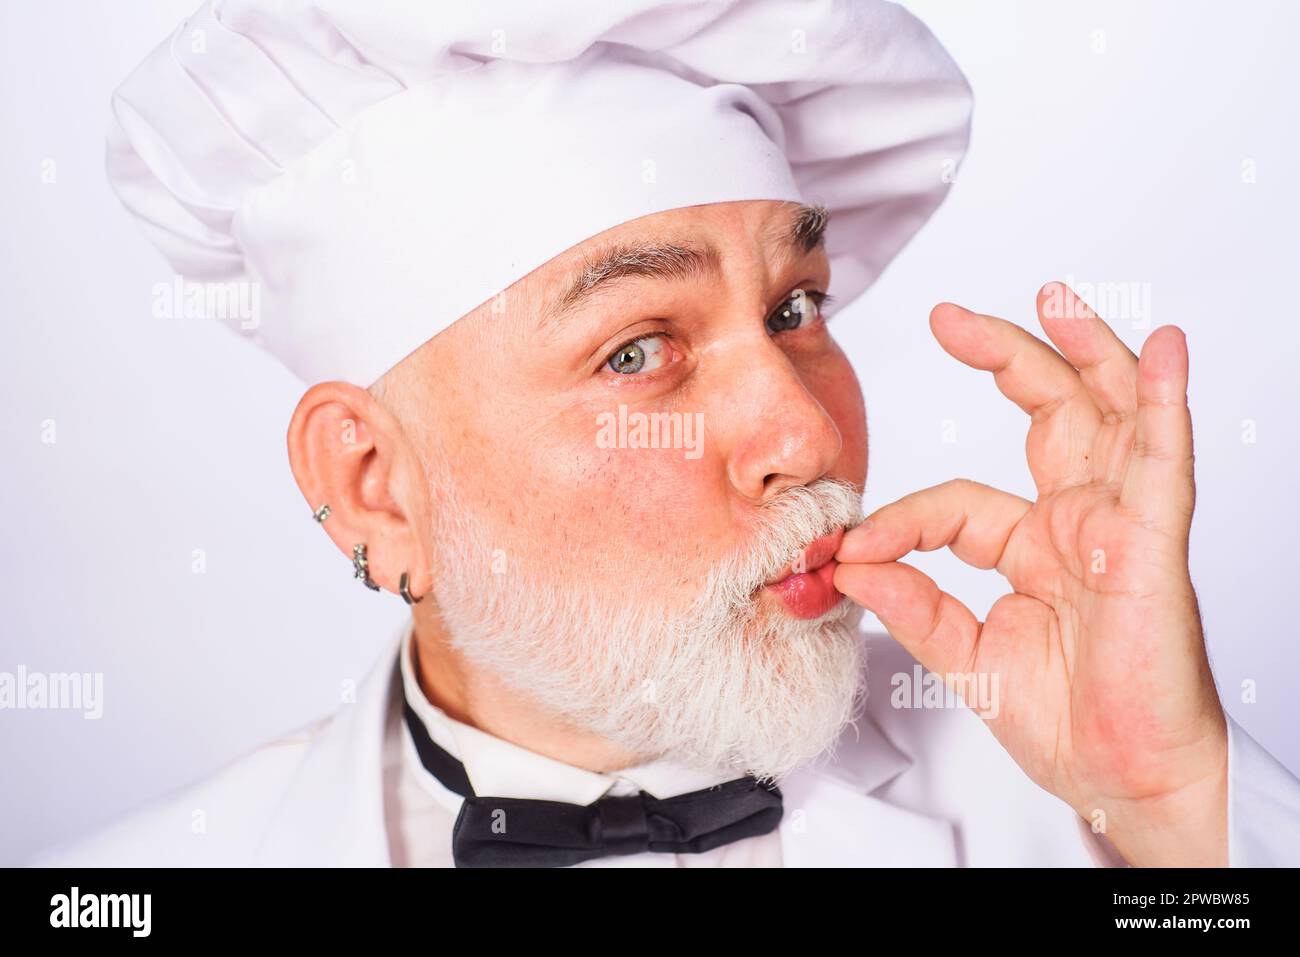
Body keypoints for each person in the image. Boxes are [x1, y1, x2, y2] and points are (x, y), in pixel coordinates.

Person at [35, 0, 1300, 867]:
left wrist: (1173, 806)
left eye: (794, 309)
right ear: (374, 490)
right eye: (638, 350)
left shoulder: (1087, 811)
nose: (805, 435)